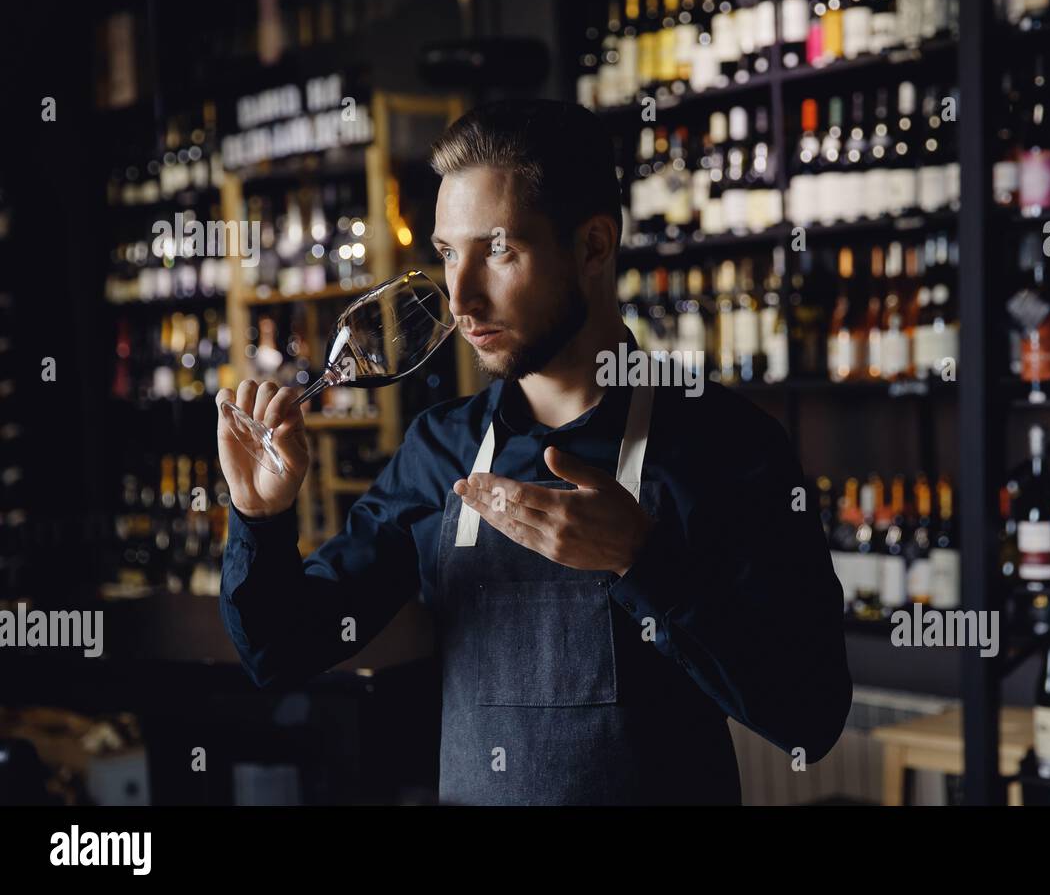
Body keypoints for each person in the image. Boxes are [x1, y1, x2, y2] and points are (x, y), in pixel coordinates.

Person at [217, 99, 852, 805]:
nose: (460, 299)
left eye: (498, 252)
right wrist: (260, 517)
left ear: (593, 247)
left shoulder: (726, 446)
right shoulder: (440, 449)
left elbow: (811, 716)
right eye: (448, 254)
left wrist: (646, 563)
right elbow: (278, 652)